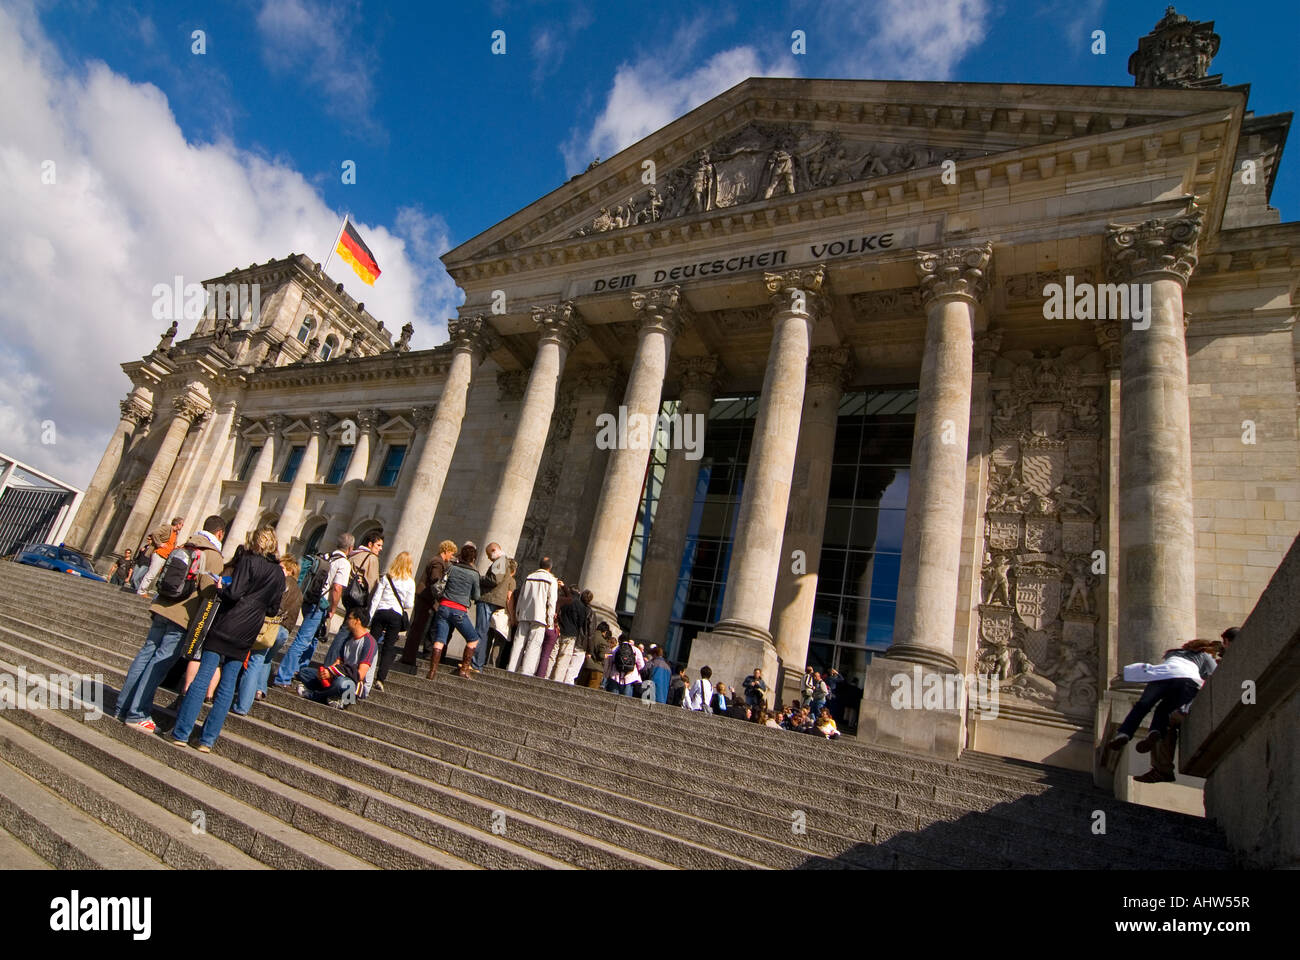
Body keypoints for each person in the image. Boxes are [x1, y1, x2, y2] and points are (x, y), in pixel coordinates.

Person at [170, 526, 285, 752]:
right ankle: (207, 740)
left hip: (228, 622)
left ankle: (181, 733)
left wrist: (222, 588)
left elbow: (234, 594)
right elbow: (273, 609)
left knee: (204, 676)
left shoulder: (249, 561)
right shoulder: (279, 574)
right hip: (249, 630)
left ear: (256, 542)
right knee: (228, 684)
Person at [114, 516, 226, 732]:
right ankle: (137, 714)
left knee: (144, 656)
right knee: (159, 664)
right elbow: (208, 591)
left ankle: (122, 706)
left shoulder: (186, 545)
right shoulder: (213, 556)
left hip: (161, 607)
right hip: (181, 616)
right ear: (220, 534)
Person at [1107, 638, 1222, 774]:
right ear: (1207, 649)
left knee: (1143, 706)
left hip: (1162, 675)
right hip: (1188, 680)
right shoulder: (1205, 656)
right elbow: (1215, 675)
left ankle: (1124, 733)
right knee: (1165, 709)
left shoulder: (1173, 653)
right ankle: (1155, 731)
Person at [273, 534, 352, 687]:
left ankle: (299, 671)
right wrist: (333, 609)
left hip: (309, 600)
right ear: (350, 548)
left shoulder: (326, 556)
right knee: (303, 640)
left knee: (314, 639)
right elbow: (337, 588)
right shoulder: (344, 563)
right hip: (320, 605)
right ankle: (283, 677)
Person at [232, 554, 301, 715]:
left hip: (271, 626)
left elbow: (274, 605)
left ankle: (243, 704)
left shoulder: (282, 582)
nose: (278, 569)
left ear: (290, 570)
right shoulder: (298, 590)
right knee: (265, 659)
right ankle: (260, 690)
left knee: (256, 659)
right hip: (284, 631)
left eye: (282, 567)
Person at [323, 531, 383, 664]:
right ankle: (330, 662)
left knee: (346, 628)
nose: (380, 548)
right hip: (359, 600)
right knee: (346, 631)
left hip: (348, 596)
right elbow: (373, 584)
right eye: (378, 545)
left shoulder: (354, 555)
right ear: (370, 544)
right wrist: (370, 607)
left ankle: (335, 661)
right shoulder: (371, 558)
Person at [297, 608, 377, 707]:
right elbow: (338, 662)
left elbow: (360, 675)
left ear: (357, 621)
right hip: (339, 676)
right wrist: (326, 672)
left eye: (349, 618)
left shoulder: (369, 642)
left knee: (341, 683)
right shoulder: (348, 640)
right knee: (305, 673)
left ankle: (315, 695)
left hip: (356, 685)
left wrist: (333, 672)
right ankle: (333, 697)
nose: (347, 621)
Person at [426, 542, 482, 680]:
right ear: (473, 559)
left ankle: (432, 671)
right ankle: (464, 669)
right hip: (459, 610)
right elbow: (476, 596)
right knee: (473, 639)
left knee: (440, 639)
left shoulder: (451, 568)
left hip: (444, 606)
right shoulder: (474, 574)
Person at [367, 550, 416, 694]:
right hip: (395, 614)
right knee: (388, 647)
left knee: (372, 643)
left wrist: (370, 616)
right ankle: (380, 679)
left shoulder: (387, 578)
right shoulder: (410, 582)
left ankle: (365, 671)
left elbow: (376, 597)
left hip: (381, 611)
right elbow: (409, 604)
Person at [401, 540, 456, 665]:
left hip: (425, 598)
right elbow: (435, 580)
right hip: (426, 599)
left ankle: (408, 656)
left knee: (418, 628)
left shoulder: (436, 560)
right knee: (418, 629)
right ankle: (408, 658)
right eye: (451, 553)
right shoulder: (438, 562)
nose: (451, 557)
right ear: (446, 551)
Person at [509, 557, 559, 675]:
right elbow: (552, 602)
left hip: (525, 614)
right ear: (550, 567)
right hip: (540, 616)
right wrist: (550, 621)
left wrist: (517, 613)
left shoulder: (529, 577)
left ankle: (511, 668)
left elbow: (521, 596)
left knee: (518, 642)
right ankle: (526, 672)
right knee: (534, 645)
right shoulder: (551, 580)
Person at [473, 543, 515, 671]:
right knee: (484, 632)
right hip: (494, 599)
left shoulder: (500, 561)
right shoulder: (504, 562)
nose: (488, 557)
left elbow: (494, 579)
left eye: (488, 554)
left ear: (494, 550)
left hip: (489, 599)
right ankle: (477, 663)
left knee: (481, 631)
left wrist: (478, 578)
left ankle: (475, 664)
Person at [550, 586, 592, 685]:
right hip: (571, 635)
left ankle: (546, 676)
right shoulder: (583, 608)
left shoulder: (563, 601)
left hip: (558, 631)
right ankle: (557, 682)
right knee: (563, 660)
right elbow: (583, 625)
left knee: (552, 656)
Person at [137, 516, 184, 595]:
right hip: (160, 553)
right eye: (182, 525)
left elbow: (170, 543)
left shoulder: (175, 533)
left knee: (156, 574)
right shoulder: (167, 528)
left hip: (166, 556)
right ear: (178, 524)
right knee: (152, 573)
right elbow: (155, 533)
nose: (182, 527)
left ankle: (144, 590)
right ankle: (141, 591)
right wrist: (160, 544)